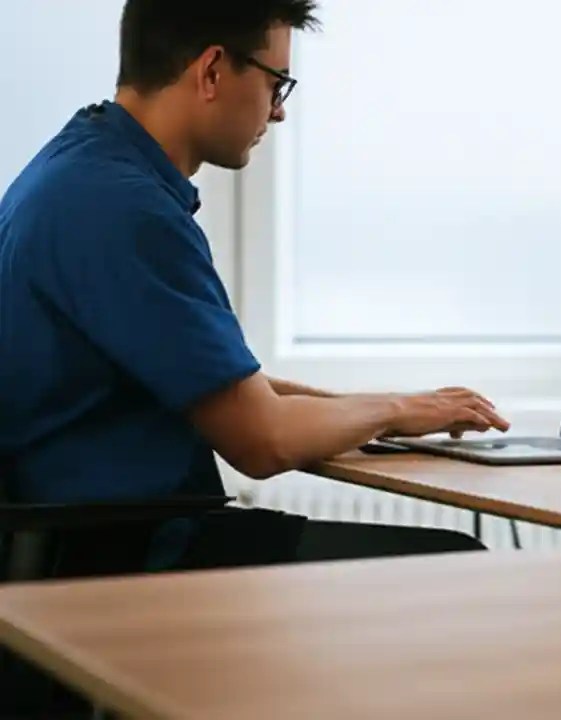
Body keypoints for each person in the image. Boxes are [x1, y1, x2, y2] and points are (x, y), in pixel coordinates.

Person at [0, 0, 511, 572]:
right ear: (212, 71)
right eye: (278, 84)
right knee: (459, 564)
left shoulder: (75, 169)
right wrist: (395, 408)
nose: (279, 113)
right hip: (128, 560)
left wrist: (392, 411)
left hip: (81, 546)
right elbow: (261, 440)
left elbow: (232, 392)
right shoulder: (125, 209)